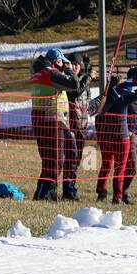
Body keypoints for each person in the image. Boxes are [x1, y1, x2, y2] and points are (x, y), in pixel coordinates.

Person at [29, 48, 77, 201]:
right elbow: (74, 84)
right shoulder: (50, 73)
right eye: (62, 61)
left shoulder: (39, 72)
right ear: (56, 61)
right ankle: (44, 195)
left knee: (49, 161)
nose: (64, 64)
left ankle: (43, 193)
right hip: (52, 120)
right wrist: (70, 70)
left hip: (42, 120)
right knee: (55, 161)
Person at [96, 67, 137, 204]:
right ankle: (117, 197)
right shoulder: (122, 99)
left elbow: (97, 119)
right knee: (120, 169)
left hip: (106, 139)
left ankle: (101, 193)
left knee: (106, 167)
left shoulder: (102, 102)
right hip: (122, 138)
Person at [62, 53, 92, 201]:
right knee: (70, 158)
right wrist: (88, 77)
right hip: (70, 126)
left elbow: (88, 103)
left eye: (76, 64)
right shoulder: (69, 80)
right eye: (71, 63)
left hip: (82, 126)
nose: (74, 66)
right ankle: (68, 191)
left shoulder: (85, 83)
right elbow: (75, 92)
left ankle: (72, 186)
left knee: (77, 159)